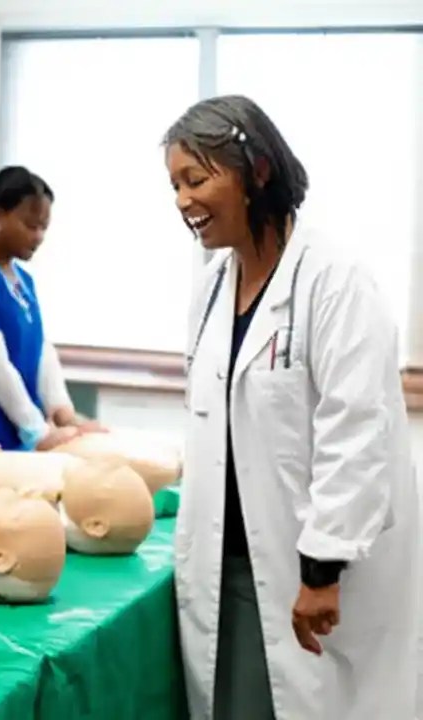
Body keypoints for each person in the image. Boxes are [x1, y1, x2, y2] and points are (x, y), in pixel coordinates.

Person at [168, 94, 419, 720]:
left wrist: (322, 567)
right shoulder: (209, 290)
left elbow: (356, 432)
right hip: (227, 565)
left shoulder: (335, 282)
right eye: (174, 185)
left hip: (310, 575)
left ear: (256, 171)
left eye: (196, 179)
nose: (181, 201)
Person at [0, 166, 103, 451]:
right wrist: (37, 430)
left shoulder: (24, 282)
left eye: (44, 228)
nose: (38, 237)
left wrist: (63, 412)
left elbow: (41, 351)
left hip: (20, 433)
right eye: (30, 226)